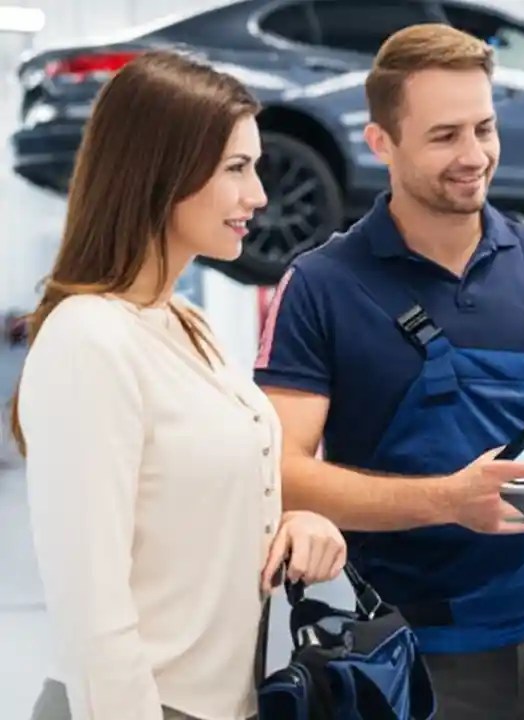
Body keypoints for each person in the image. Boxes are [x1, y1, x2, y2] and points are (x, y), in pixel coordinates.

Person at [253, 23, 524, 719]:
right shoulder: (321, 286)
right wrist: (448, 500)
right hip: (409, 658)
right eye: (444, 136)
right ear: (381, 143)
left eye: (484, 129)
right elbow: (278, 474)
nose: (473, 155)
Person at [10, 51, 348, 720]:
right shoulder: (89, 340)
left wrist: (294, 523)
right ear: (160, 173)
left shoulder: (187, 324)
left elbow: (195, 502)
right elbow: (91, 603)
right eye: (236, 168)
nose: (259, 195)